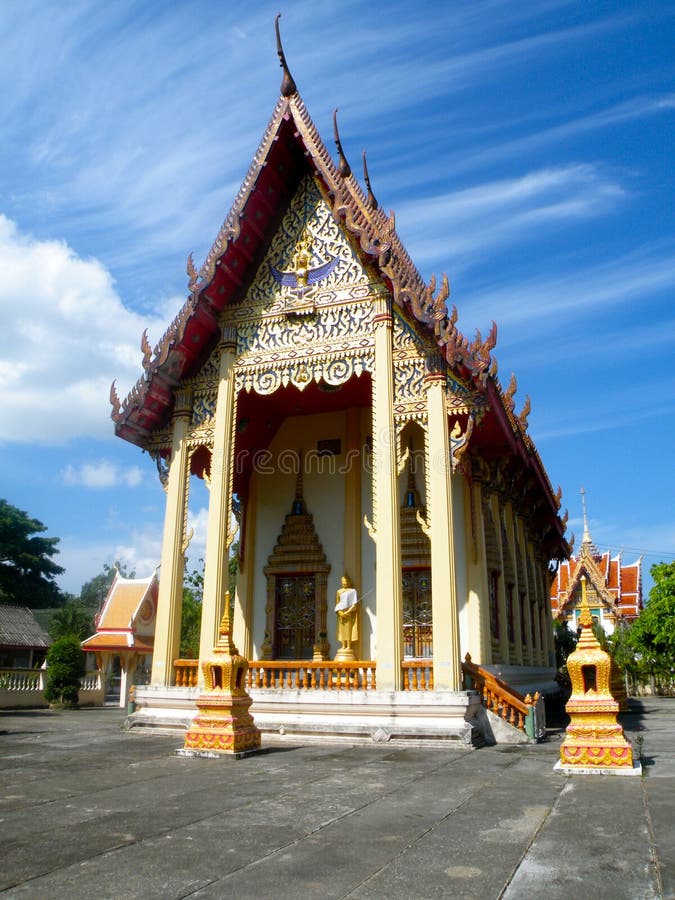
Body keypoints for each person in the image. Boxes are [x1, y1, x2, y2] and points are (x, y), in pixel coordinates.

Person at [335, 575, 359, 660]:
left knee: (348, 630)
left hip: (349, 613)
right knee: (341, 630)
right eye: (342, 582)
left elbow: (354, 605)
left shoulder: (353, 591)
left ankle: (348, 646)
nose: (344, 583)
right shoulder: (339, 591)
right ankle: (343, 645)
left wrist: (347, 612)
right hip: (341, 614)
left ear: (349, 582)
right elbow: (337, 603)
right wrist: (340, 612)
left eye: (345, 582)